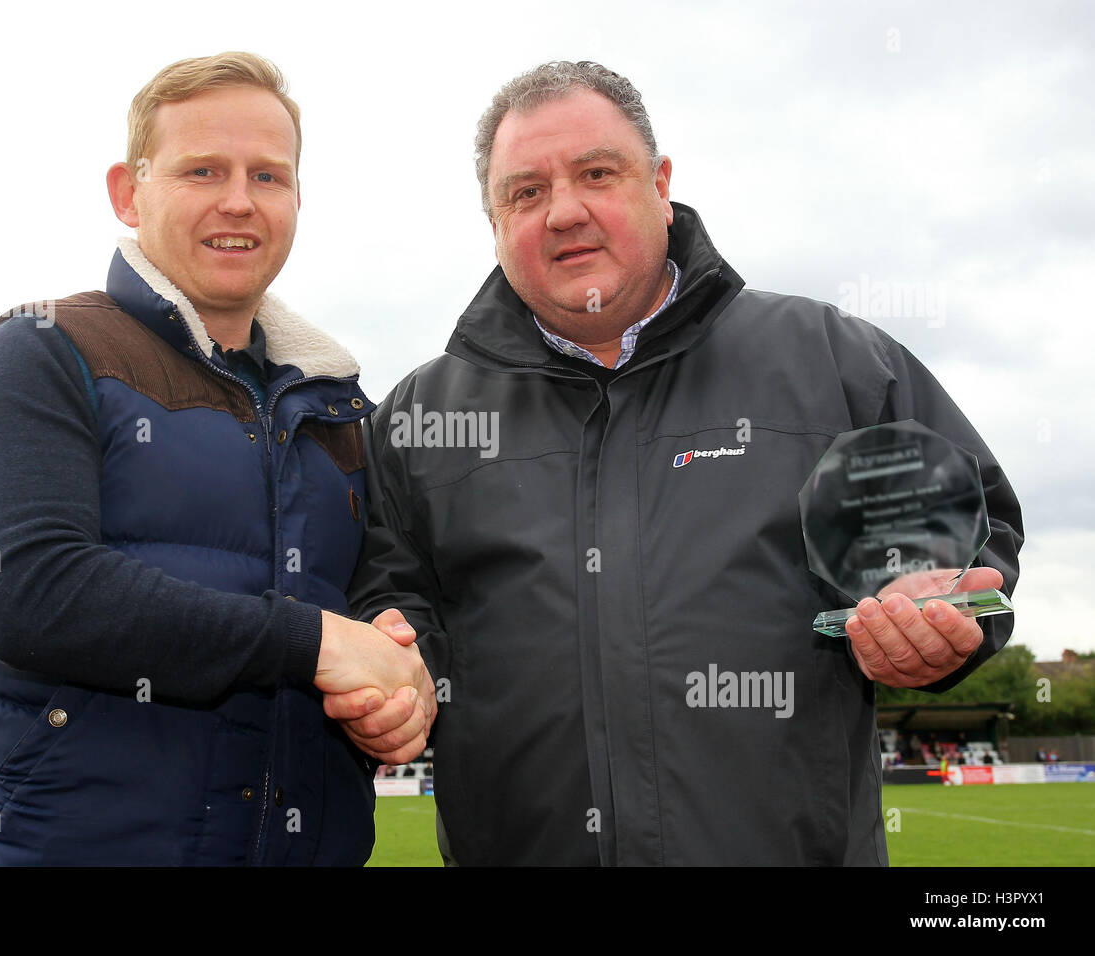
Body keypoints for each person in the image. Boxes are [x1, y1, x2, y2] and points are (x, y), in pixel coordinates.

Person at [341, 60, 1023, 865]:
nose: (563, 211)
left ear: (659, 184)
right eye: (524, 192)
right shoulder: (419, 419)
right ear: (493, 221)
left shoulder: (833, 363)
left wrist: (937, 622)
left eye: (597, 173)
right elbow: (388, 598)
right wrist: (391, 663)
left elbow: (963, 542)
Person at [0, 52, 432, 866]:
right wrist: (314, 644)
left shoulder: (342, 413)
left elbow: (382, 605)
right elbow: (33, 593)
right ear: (128, 193)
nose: (239, 200)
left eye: (268, 176)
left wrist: (401, 685)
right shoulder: (40, 351)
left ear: (298, 199)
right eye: (202, 170)